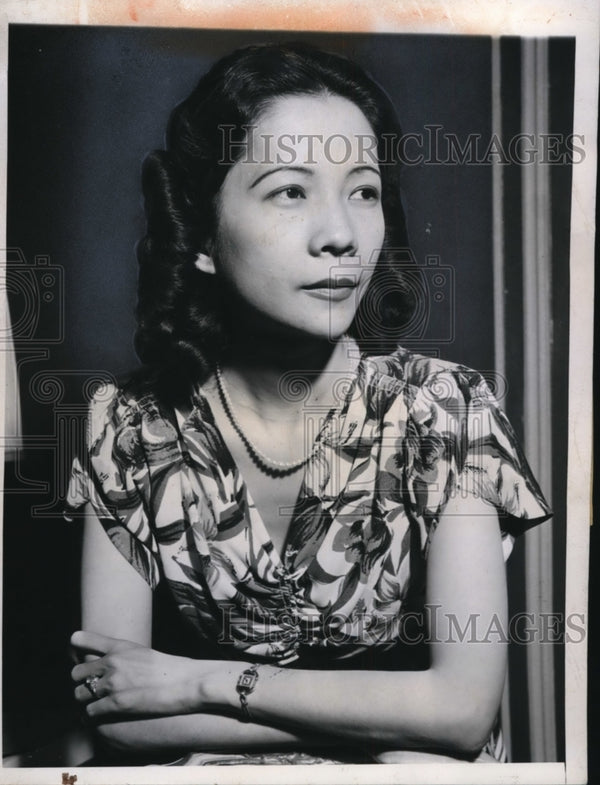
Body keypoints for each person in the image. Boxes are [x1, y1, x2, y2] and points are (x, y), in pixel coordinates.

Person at [64, 41, 552, 765]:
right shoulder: (130, 425)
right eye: (291, 191)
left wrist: (198, 683)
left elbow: (461, 712)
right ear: (200, 235)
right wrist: (384, 716)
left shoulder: (447, 411)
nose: (341, 236)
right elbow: (118, 712)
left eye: (364, 190)